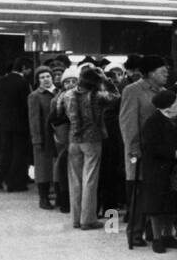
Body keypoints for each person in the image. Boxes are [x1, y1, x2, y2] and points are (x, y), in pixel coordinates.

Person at [60, 65, 120, 230]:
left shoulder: (67, 94)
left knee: (75, 181)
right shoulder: (97, 96)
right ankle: (88, 220)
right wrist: (106, 80)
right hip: (92, 140)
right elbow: (116, 96)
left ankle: (76, 219)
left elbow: (58, 111)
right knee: (90, 180)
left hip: (73, 139)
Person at [120, 54, 170, 246]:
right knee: (138, 192)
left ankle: (153, 232)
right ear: (150, 73)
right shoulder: (132, 91)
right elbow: (127, 122)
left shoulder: (164, 91)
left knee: (154, 192)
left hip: (156, 152)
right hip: (139, 151)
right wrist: (133, 149)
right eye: (162, 71)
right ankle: (134, 232)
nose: (166, 74)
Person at [141, 90, 177, 253]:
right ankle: (156, 238)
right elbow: (152, 146)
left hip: (171, 170)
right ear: (168, 108)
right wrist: (175, 153)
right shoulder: (153, 122)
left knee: (170, 204)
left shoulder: (173, 120)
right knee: (156, 206)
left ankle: (168, 235)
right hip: (156, 170)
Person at [0, 57, 33, 192]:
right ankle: (14, 183)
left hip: (4, 123)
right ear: (23, 68)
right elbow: (27, 105)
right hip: (20, 124)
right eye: (29, 69)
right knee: (18, 153)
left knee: (5, 152)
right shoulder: (23, 83)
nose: (30, 71)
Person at [27, 67, 59, 211]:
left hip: (59, 135)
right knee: (43, 168)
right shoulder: (35, 96)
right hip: (44, 137)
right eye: (42, 77)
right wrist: (37, 140)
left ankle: (58, 195)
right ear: (38, 80)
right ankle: (43, 198)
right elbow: (34, 120)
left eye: (48, 76)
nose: (46, 79)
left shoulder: (59, 93)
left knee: (56, 167)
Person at [50, 67, 77, 213]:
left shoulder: (81, 97)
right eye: (68, 82)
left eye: (74, 81)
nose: (71, 84)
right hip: (63, 138)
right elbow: (52, 118)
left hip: (75, 137)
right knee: (62, 167)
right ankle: (63, 199)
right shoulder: (57, 99)